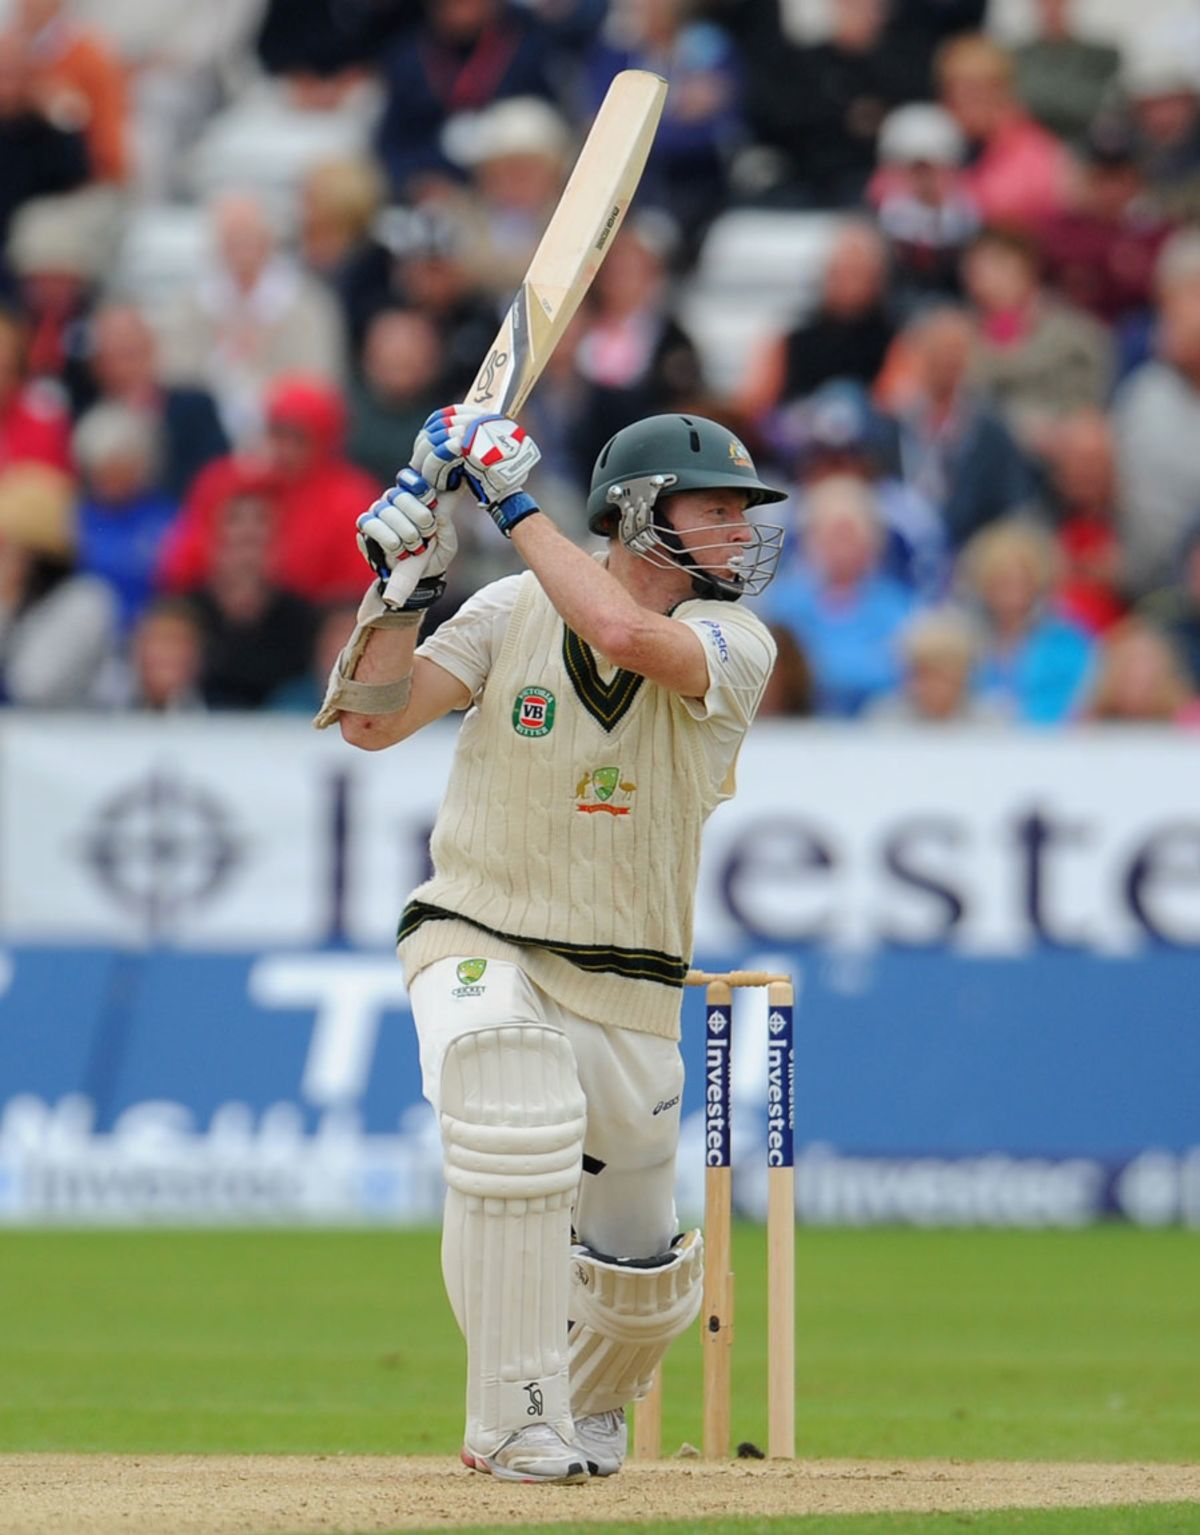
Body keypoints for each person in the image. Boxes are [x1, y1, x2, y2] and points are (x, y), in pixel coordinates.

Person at [316, 403, 785, 1481]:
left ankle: (587, 1399)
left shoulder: (739, 641)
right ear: (638, 510)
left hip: (630, 978)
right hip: (478, 923)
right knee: (510, 1107)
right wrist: (402, 590)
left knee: (641, 1278)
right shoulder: (507, 608)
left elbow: (623, 636)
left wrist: (508, 499)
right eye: (715, 508)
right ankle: (513, 1416)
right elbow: (376, 721)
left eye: (742, 511)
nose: (740, 531)